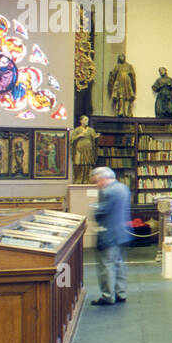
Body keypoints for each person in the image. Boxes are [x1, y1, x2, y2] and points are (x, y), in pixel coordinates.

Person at [91, 166, 132, 306]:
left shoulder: (107, 192)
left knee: (106, 265)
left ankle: (108, 296)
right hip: (122, 232)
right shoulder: (123, 188)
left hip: (108, 233)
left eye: (97, 181)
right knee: (119, 264)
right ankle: (121, 293)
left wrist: (94, 209)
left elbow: (101, 212)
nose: (97, 184)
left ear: (103, 179)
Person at [70, 115, 98, 183]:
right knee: (79, 164)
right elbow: (71, 139)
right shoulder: (77, 130)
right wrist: (78, 136)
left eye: (87, 120)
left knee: (88, 164)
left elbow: (94, 139)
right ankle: (78, 179)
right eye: (85, 120)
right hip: (79, 149)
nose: (86, 121)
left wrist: (97, 138)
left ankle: (87, 179)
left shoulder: (91, 130)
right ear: (81, 121)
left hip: (88, 150)